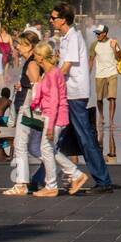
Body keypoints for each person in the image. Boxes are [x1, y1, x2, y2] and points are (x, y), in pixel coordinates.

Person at [51, 3, 117, 194]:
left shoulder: (73, 37)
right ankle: (47, 178)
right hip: (69, 92)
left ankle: (103, 181)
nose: (51, 20)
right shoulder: (65, 38)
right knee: (57, 137)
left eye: (53, 17)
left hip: (75, 94)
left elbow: (66, 67)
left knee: (84, 137)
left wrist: (49, 82)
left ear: (63, 19)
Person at [28, 42, 90, 197]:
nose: (34, 57)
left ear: (41, 57)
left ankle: (53, 185)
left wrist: (50, 127)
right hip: (49, 115)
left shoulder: (54, 73)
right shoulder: (48, 73)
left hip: (54, 116)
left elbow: (55, 100)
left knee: (46, 149)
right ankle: (74, 175)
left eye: (35, 54)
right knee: (49, 149)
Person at [5, 31, 43, 197]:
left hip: (28, 108)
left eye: (20, 44)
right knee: (34, 147)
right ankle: (62, 167)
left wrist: (33, 107)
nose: (17, 47)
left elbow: (38, 86)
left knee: (21, 145)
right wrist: (22, 86)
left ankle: (21, 184)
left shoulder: (32, 63)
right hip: (28, 107)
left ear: (30, 46)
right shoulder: (31, 61)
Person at [90, 23, 121, 128]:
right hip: (99, 74)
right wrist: (88, 73)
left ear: (105, 33)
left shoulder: (113, 42)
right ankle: (101, 116)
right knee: (99, 99)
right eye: (96, 33)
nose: (97, 35)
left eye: (99, 33)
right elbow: (91, 60)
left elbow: (119, 57)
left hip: (112, 73)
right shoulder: (94, 44)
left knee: (112, 97)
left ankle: (111, 121)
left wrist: (114, 48)